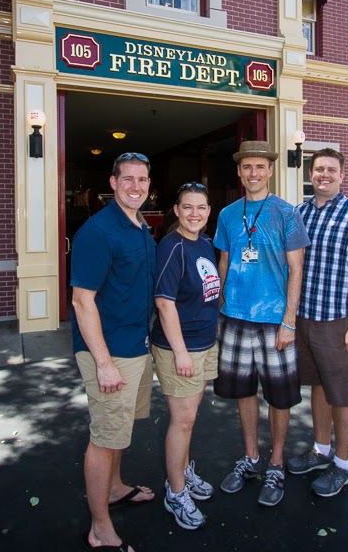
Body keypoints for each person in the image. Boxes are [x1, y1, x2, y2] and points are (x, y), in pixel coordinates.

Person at [214, 141, 310, 507]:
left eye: (259, 167)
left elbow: (297, 269)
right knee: (243, 392)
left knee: (279, 396)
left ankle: (275, 462)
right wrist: (219, 310)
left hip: (274, 320)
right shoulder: (226, 214)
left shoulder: (286, 213)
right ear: (239, 172)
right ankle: (251, 457)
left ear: (270, 170)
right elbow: (223, 263)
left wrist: (289, 321)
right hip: (235, 317)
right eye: (247, 167)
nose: (253, 173)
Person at [71, 152, 157, 552]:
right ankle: (100, 528)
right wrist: (103, 364)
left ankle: (115, 488)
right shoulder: (98, 231)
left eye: (142, 179)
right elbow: (81, 301)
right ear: (113, 182)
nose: (136, 186)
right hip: (109, 353)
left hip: (136, 347)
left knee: (121, 428)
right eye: (128, 179)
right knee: (105, 437)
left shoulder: (139, 227)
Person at [288, 148, 348, 497]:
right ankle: (320, 450)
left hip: (338, 321)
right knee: (318, 386)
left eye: (330, 170)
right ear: (310, 174)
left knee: (342, 395)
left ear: (342, 175)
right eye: (318, 170)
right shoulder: (300, 213)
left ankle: (342, 465)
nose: (323, 175)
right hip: (305, 319)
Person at [151, 182, 220, 531]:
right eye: (187, 207)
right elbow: (164, 302)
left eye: (202, 207)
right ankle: (175, 490)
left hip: (205, 343)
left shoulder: (205, 244)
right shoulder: (172, 246)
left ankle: (183, 471)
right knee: (183, 420)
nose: (195, 213)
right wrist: (180, 352)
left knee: (190, 417)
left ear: (209, 211)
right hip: (181, 348)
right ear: (176, 211)